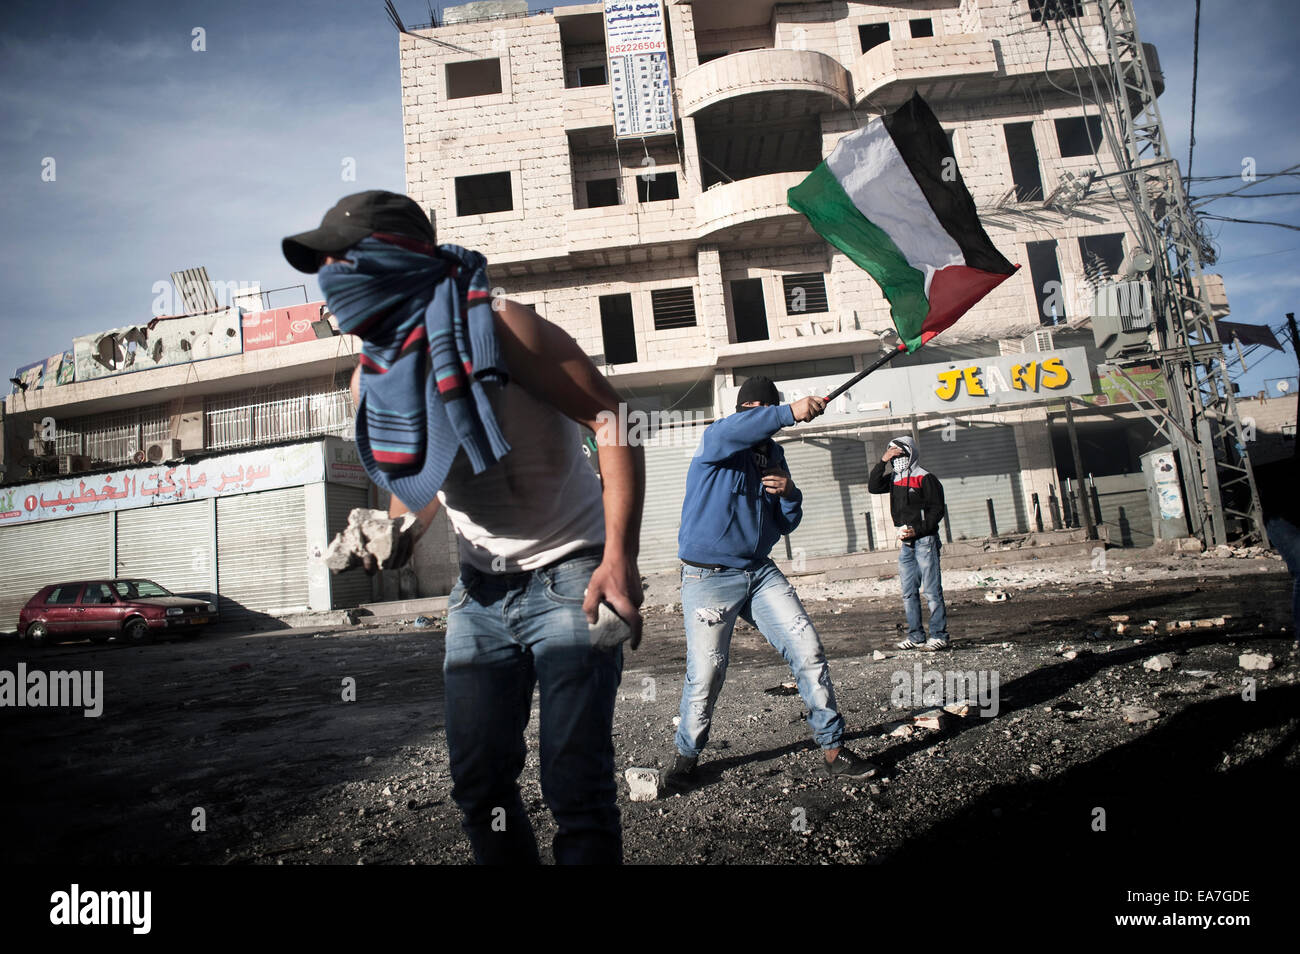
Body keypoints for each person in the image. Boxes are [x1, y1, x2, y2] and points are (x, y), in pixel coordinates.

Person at [282, 190, 645, 865]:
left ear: (393, 257)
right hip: (478, 593)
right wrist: (397, 536)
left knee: (576, 787)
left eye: (341, 259)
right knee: (479, 786)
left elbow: (615, 421)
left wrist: (619, 558)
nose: (330, 280)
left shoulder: (504, 327)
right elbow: (415, 485)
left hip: (572, 573)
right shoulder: (375, 380)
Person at [666, 376, 878, 788]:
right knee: (707, 672)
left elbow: (785, 523)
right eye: (754, 409)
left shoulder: (773, 457)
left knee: (808, 648)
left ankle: (833, 750)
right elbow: (741, 426)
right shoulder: (719, 440)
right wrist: (787, 412)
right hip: (708, 577)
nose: (758, 417)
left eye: (767, 408)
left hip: (759, 571)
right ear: (745, 411)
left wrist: (789, 492)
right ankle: (686, 758)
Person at [868, 435, 949, 651]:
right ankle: (916, 636)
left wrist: (919, 529)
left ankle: (939, 634)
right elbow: (874, 486)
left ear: (911, 453)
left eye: (900, 453)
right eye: (894, 454)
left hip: (925, 540)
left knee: (931, 591)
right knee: (908, 592)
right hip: (906, 544)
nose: (897, 459)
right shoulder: (895, 478)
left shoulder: (925, 477)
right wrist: (883, 460)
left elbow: (937, 509)